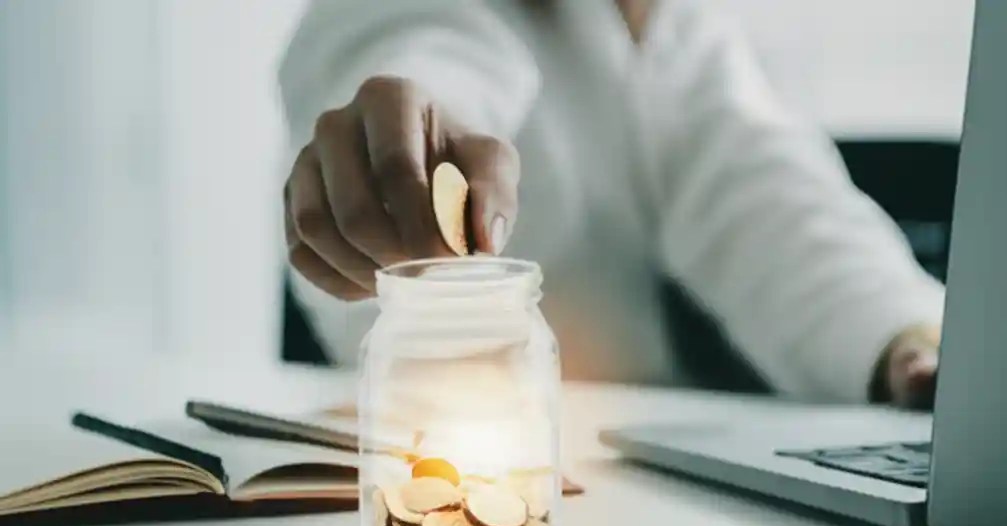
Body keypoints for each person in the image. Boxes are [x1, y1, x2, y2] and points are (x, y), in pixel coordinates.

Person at [278, 0, 944, 407]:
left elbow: (777, 209)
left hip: (641, 495)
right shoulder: (398, 12)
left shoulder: (671, 27)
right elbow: (426, 54)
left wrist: (905, 339)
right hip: (458, 466)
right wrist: (410, 134)